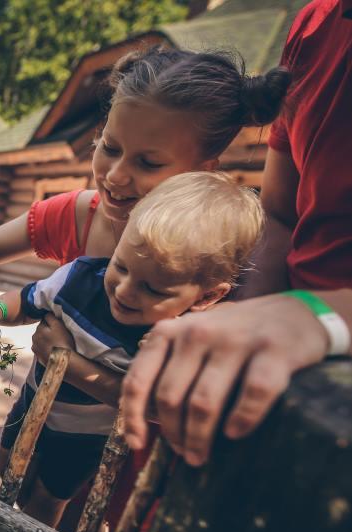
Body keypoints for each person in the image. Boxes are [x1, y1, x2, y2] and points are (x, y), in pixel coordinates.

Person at [0, 46, 290, 532]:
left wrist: (69, 365)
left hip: (127, 477)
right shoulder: (79, 213)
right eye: (110, 147)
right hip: (41, 435)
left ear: (204, 170)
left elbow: (169, 403)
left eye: (149, 164)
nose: (117, 175)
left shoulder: (213, 269)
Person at [0, 172, 263, 532]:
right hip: (32, 405)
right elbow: (25, 301)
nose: (126, 291)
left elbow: (149, 400)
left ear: (205, 297)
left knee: (48, 498)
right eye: (122, 266)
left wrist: (71, 363)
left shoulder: (170, 343)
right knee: (9, 469)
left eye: (153, 287)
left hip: (85, 438)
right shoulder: (79, 277)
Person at [121, 0, 352, 465]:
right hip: (281, 378)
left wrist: (321, 316)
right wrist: (242, 322)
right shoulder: (314, 26)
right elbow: (281, 213)